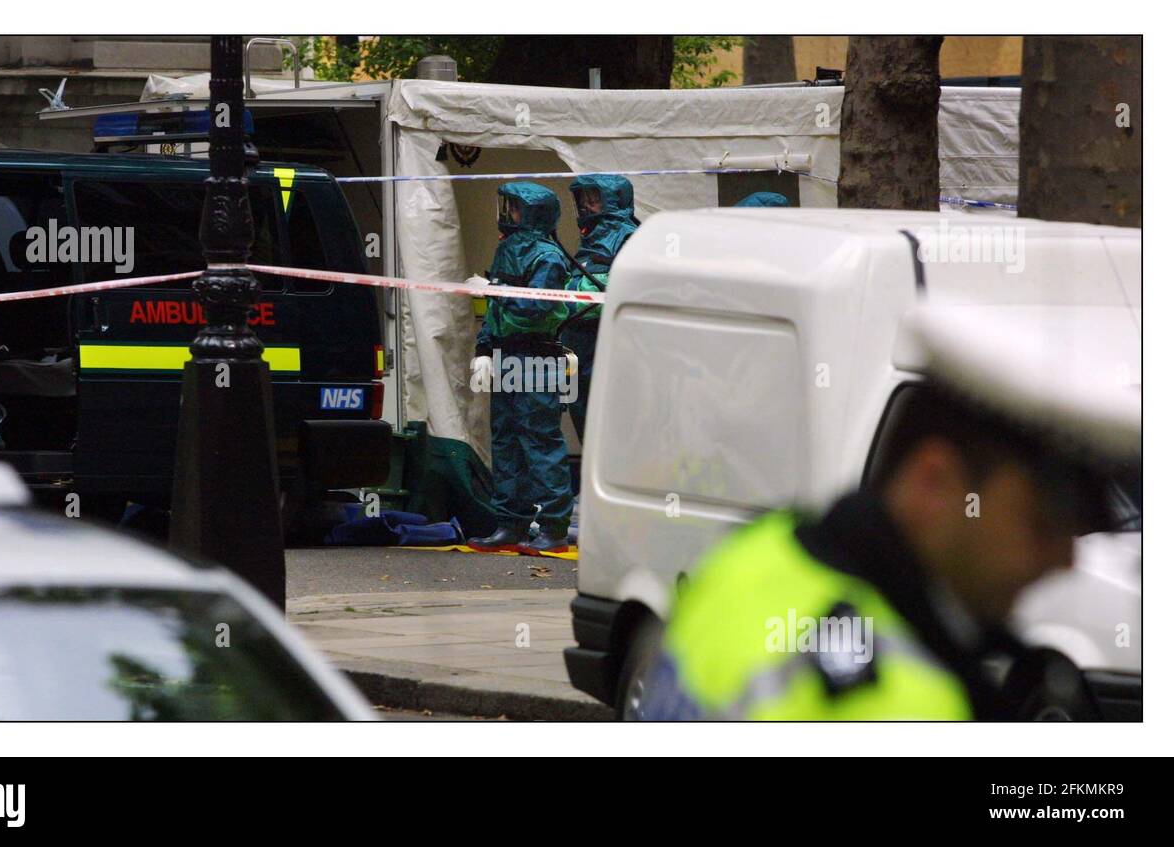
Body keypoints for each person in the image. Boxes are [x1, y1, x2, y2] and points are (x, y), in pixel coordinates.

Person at [638, 305, 1140, 720]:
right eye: (1044, 524)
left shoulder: (757, 554)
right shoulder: (906, 707)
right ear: (933, 482)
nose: (1065, 561)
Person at [466, 182, 574, 555]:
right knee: (506, 439)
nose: (508, 213)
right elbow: (498, 310)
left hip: (537, 357)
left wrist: (493, 289)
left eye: (514, 208)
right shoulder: (507, 251)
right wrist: (483, 347)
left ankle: (554, 527)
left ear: (530, 212)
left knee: (539, 441)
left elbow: (536, 307)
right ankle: (510, 523)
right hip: (507, 355)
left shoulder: (547, 257)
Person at [561, 175, 639, 441]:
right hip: (580, 347)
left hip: (609, 347)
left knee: (614, 428)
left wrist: (569, 295)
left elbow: (625, 288)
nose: (586, 206)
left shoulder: (629, 237)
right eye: (584, 199)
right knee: (585, 422)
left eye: (594, 199)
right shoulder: (592, 239)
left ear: (612, 201)